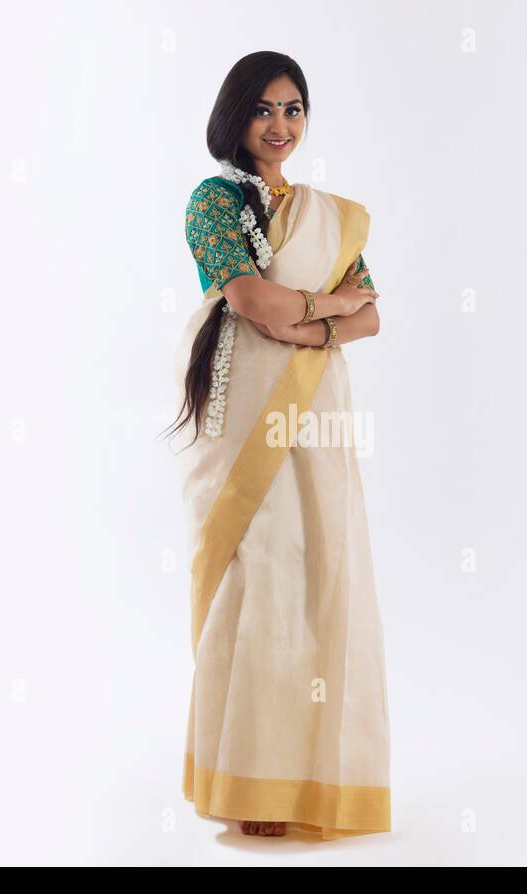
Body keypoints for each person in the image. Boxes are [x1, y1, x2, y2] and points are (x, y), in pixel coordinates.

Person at [164, 51, 390, 839]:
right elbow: (251, 301)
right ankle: (250, 782)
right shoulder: (214, 201)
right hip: (241, 415)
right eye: (264, 109)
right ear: (236, 117)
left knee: (317, 568)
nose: (280, 125)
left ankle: (310, 779)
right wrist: (319, 308)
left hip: (317, 413)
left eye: (293, 109)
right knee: (257, 579)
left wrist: (313, 321)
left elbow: (371, 315)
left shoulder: (328, 215)